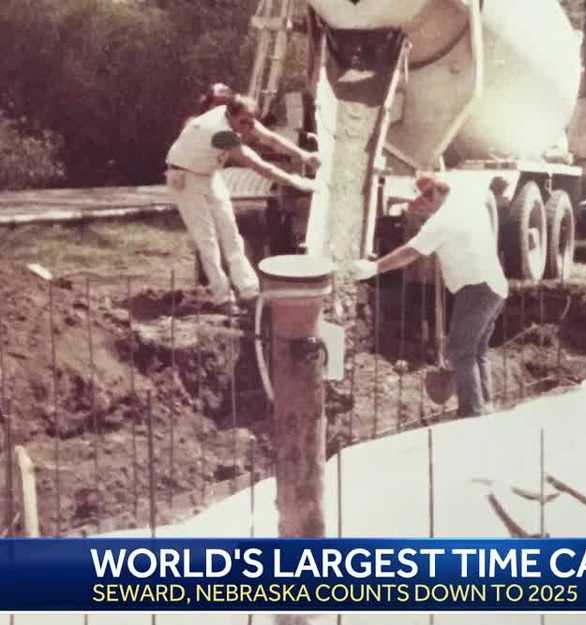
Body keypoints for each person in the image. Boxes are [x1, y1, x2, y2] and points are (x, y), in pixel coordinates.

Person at [349, 174, 508, 419]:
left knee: (460, 351)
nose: (422, 205)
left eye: (424, 198)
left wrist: (373, 267)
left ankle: (472, 412)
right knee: (477, 350)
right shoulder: (466, 202)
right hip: (496, 286)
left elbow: (409, 253)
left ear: (435, 193)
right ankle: (485, 405)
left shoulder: (442, 221)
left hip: (476, 287)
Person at [166, 93, 319, 310]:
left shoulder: (238, 115)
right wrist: (296, 182)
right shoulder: (220, 132)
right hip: (185, 176)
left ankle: (249, 291)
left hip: (208, 172)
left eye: (250, 122)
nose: (247, 127)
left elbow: (271, 139)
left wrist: (303, 155)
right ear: (230, 114)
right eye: (243, 122)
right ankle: (222, 297)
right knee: (207, 239)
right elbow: (258, 165)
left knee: (231, 233)